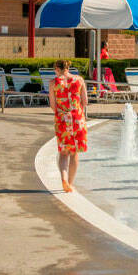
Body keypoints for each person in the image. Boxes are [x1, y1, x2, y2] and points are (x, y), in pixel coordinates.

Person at [48, 59, 88, 193]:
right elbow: (85, 101)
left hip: (62, 119)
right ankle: (70, 183)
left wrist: (62, 113)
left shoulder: (54, 83)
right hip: (77, 119)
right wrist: (77, 112)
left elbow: (53, 105)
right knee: (74, 153)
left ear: (57, 68)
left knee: (64, 153)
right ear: (68, 68)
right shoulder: (79, 80)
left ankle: (64, 179)